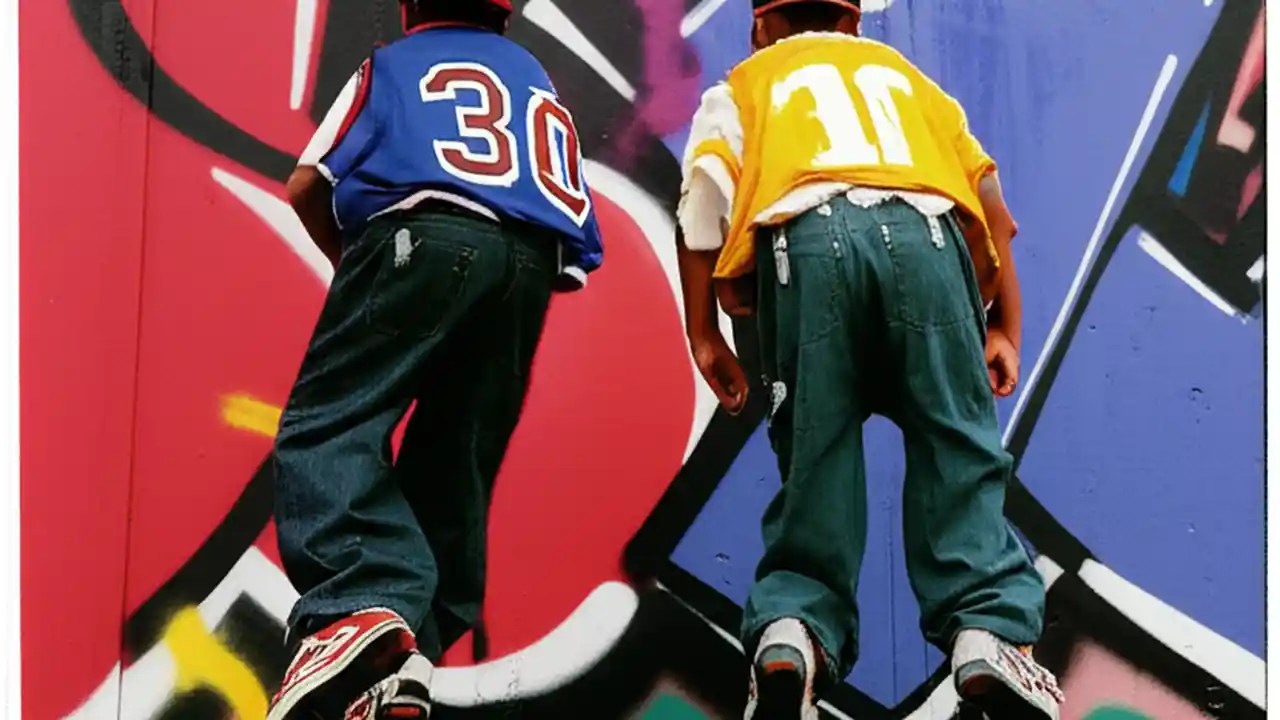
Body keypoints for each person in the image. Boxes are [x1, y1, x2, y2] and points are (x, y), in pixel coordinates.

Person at [675, 1, 1064, 718]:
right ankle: (990, 631)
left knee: (816, 456)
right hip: (929, 239)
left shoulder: (744, 86)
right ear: (854, 23)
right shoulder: (906, 78)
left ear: (761, 26)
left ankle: (795, 631)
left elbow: (703, 204)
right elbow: (990, 199)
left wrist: (704, 335)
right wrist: (1005, 324)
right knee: (958, 444)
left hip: (807, 243)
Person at [265, 1, 603, 718]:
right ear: (504, 15)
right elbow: (574, 239)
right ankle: (404, 659)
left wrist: (355, 272)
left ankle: (360, 602)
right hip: (528, 265)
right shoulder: (538, 80)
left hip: (420, 234)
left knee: (330, 423)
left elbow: (308, 181)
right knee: (457, 460)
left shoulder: (391, 63)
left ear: (410, 5)